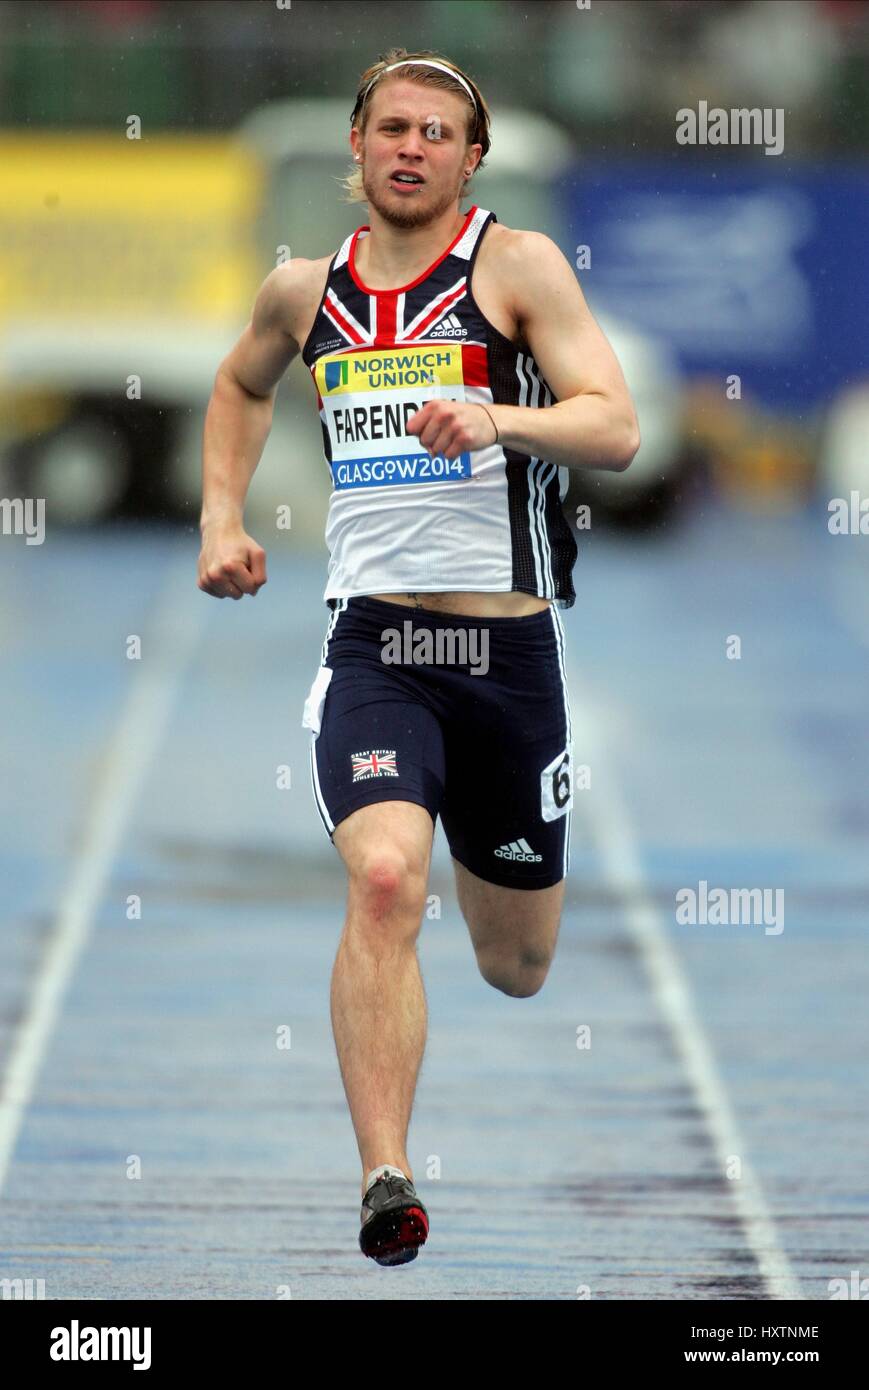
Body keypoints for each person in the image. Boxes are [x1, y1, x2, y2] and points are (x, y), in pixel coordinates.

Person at [198, 47, 639, 1267]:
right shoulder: (304, 291)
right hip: (378, 643)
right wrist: (220, 518)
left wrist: (497, 414)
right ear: (354, 144)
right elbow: (237, 387)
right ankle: (386, 1172)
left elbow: (612, 425)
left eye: (435, 133)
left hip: (505, 653)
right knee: (386, 879)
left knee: (516, 964)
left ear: (470, 156)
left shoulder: (515, 267)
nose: (410, 148)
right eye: (390, 127)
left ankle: (489, 875)